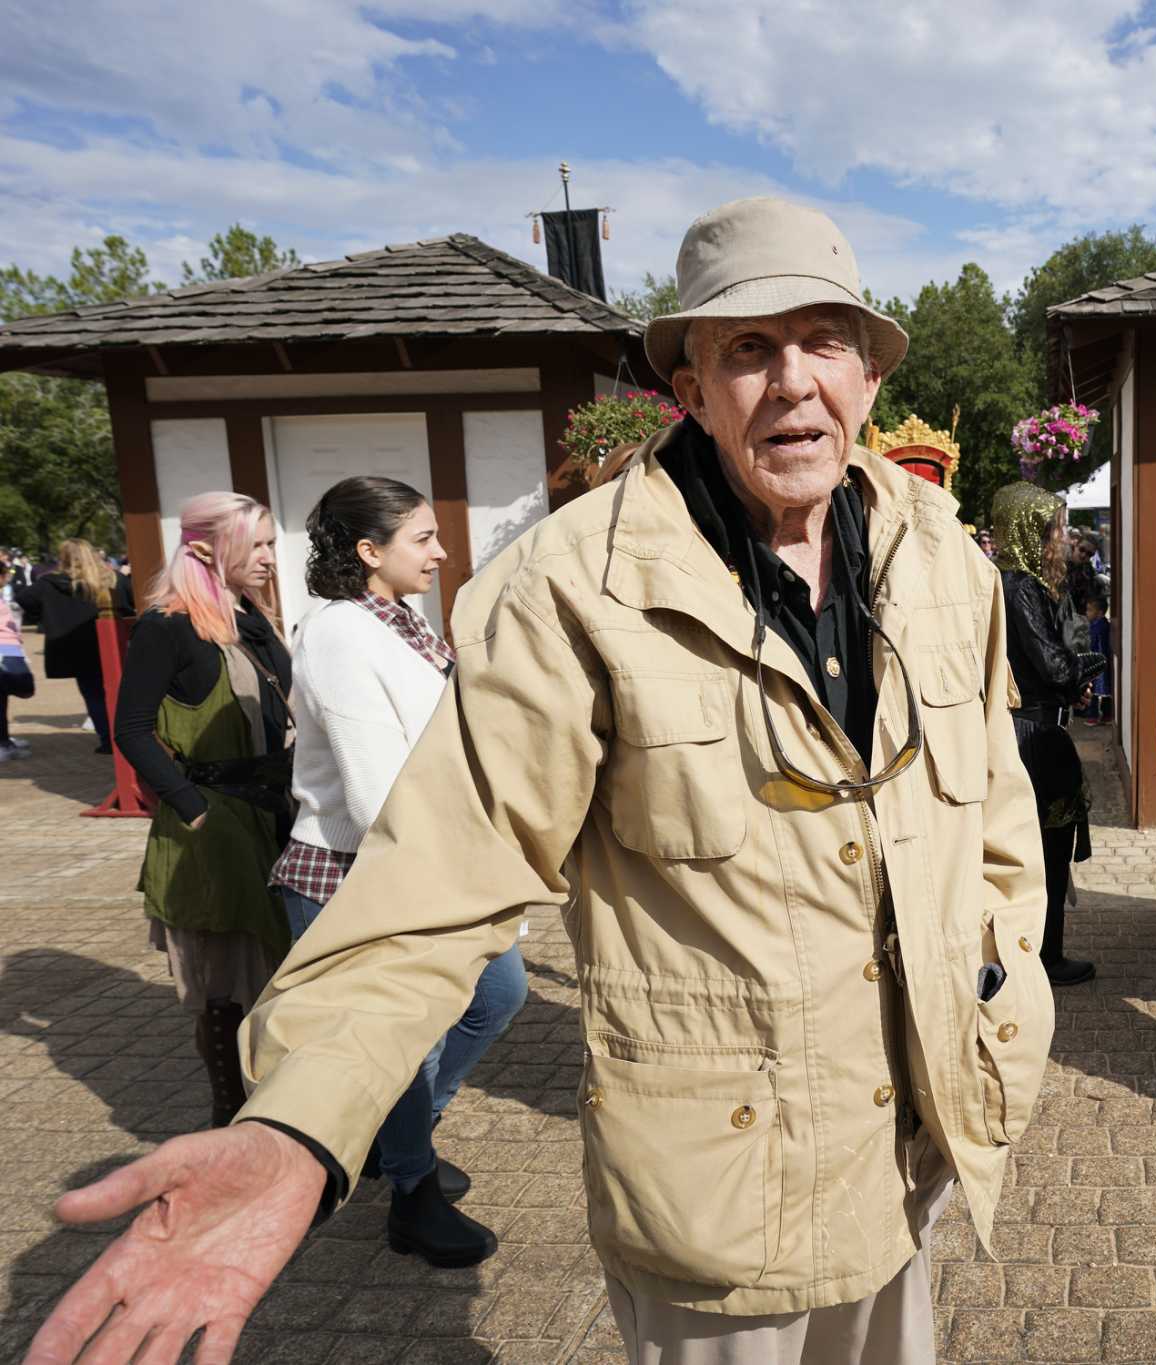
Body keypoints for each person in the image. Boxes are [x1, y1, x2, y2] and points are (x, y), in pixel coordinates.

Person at [30, 197, 1054, 1365]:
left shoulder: (937, 555)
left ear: (869, 374)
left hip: (921, 1127)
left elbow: (993, 811)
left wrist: (1002, 980)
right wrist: (296, 1127)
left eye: (825, 342)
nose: (791, 383)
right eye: (746, 349)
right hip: (731, 1188)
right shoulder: (571, 588)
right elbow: (436, 875)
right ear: (690, 383)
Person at [276, 475, 525, 1267]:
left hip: (421, 856)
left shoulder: (398, 621)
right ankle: (410, 1199)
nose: (441, 550)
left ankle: (398, 1136)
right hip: (358, 873)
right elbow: (377, 790)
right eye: (422, 537)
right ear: (368, 550)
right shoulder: (341, 633)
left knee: (497, 993)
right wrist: (476, 864)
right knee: (401, 1040)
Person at [111, 492, 294, 1131]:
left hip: (272, 816)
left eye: (272, 543)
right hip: (214, 830)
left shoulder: (251, 617)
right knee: (226, 986)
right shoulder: (168, 626)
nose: (271, 558)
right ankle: (231, 1122)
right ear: (204, 548)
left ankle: (279, 1111)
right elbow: (131, 729)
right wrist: (190, 807)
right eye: (258, 545)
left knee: (274, 975)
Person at [994, 479, 1103, 988]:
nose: (1062, 537)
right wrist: (1087, 665)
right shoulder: (1020, 587)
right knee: (1045, 850)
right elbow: (1054, 666)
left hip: (1031, 726)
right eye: (1055, 527)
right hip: (1031, 737)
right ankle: (1042, 956)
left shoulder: (1014, 584)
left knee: (1039, 847)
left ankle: (1037, 950)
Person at [17, 538, 117, 751]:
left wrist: (43, 615)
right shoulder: (109, 579)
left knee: (94, 694)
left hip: (74, 647)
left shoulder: (48, 583)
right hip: (110, 643)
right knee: (119, 691)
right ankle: (126, 738)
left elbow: (24, 598)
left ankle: (108, 740)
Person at [0, 592, 31, 760]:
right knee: (21, 685)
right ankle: (3, 744)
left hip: (7, 648)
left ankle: (4, 740)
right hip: (4, 648)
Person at [1081, 593, 1114, 724]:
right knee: (1106, 693)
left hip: (1095, 663)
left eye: (1089, 610)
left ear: (1099, 612)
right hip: (1105, 663)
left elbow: (1091, 644)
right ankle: (1107, 716)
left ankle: (1093, 716)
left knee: (1093, 691)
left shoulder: (1095, 627)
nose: (1086, 613)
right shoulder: (1106, 624)